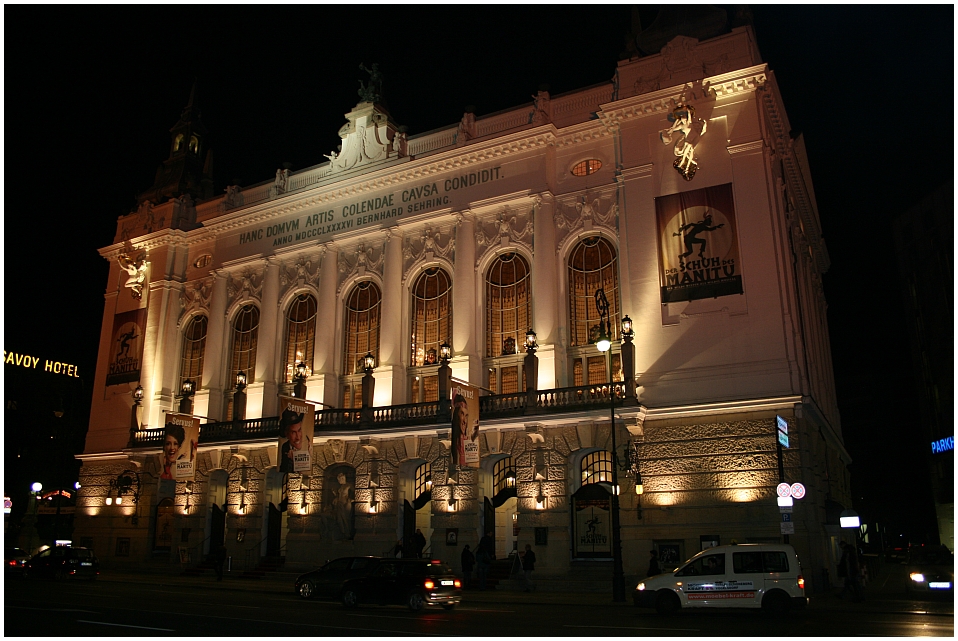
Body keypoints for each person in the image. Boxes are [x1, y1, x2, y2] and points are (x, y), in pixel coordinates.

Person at [279, 408, 305, 473]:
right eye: (293, 432)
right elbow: (283, 470)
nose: (298, 437)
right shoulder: (285, 447)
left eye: (299, 430)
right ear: (287, 434)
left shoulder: (307, 446)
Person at [452, 394, 469, 467]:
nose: (464, 421)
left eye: (466, 416)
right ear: (456, 415)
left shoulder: (469, 440)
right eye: (462, 414)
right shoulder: (451, 444)